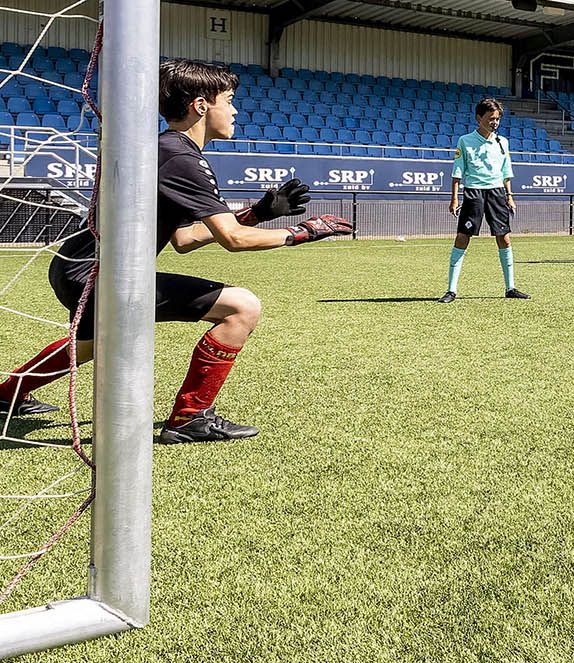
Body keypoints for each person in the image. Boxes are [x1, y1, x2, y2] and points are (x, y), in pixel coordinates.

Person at [0, 60, 350, 443]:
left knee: (87, 346)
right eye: (229, 100)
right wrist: (303, 232)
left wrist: (257, 213)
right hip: (98, 275)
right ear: (202, 106)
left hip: (76, 267)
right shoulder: (182, 158)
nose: (235, 110)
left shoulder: (166, 149)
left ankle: (7, 394)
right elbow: (232, 239)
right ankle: (189, 416)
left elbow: (184, 241)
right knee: (242, 306)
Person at [442, 97, 530, 303]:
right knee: (462, 237)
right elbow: (457, 172)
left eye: (498, 119)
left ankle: (510, 288)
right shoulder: (464, 141)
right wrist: (454, 198)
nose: (495, 122)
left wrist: (510, 196)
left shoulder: (503, 142)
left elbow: (506, 172)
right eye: (491, 118)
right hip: (473, 193)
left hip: (497, 193)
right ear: (478, 118)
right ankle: (451, 290)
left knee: (504, 238)